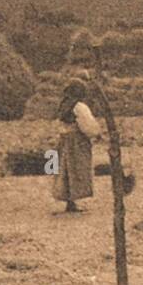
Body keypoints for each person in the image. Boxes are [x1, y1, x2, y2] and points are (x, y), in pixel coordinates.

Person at [51, 79, 104, 212]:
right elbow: (87, 125)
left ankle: (70, 202)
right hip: (77, 141)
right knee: (77, 169)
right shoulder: (79, 107)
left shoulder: (63, 105)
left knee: (65, 170)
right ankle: (74, 200)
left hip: (63, 140)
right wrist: (96, 133)